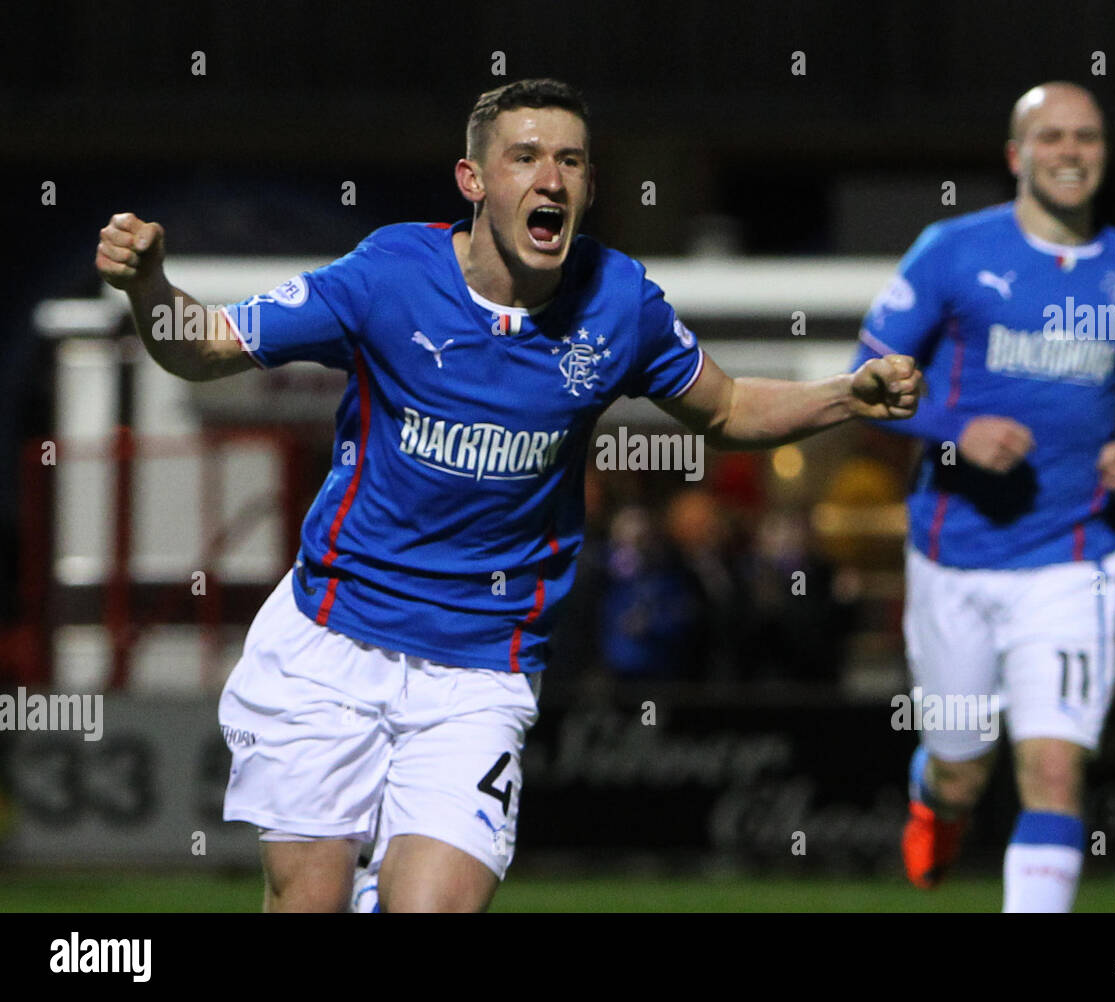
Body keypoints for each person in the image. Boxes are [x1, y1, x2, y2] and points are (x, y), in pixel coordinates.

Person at [95, 78, 921, 912]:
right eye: (525, 157)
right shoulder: (390, 276)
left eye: (570, 161)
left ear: (590, 186)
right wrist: (149, 289)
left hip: (482, 665)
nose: (550, 179)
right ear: (474, 180)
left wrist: (847, 396)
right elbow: (208, 345)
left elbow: (731, 406)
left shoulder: (619, 303)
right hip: (334, 644)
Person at [851, 82, 1115, 912]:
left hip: (1075, 559)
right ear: (1018, 155)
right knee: (965, 765)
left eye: (1088, 137)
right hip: (952, 554)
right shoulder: (953, 251)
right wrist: (954, 428)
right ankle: (940, 797)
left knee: (1052, 767)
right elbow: (865, 378)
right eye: (1053, 137)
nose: (1072, 152)